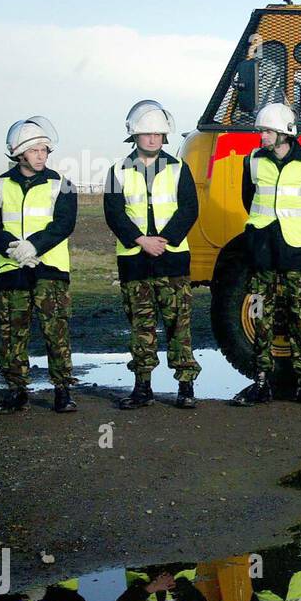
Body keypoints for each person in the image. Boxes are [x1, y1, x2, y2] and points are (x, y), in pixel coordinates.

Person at [231, 103, 301, 408]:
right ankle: (261, 381)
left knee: (300, 316)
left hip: (296, 252)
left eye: (267, 131)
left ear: (285, 132)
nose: (261, 135)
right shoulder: (252, 161)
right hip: (262, 252)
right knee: (260, 314)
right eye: (261, 130)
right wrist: (262, 233)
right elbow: (249, 199)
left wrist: (298, 231)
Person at [103, 100, 201, 409]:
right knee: (140, 327)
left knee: (178, 325)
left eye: (158, 133)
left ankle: (185, 387)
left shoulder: (179, 168)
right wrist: (141, 241)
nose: (153, 139)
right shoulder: (117, 171)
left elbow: (189, 209)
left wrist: (165, 240)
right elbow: (113, 213)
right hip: (135, 261)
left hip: (172, 260)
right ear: (134, 135)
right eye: (147, 134)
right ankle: (142, 388)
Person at [0, 116, 78, 414]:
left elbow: (64, 223)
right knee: (13, 334)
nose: (41, 156)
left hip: (50, 271)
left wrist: (34, 246)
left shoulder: (64, 185)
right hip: (13, 272)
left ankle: (62, 391)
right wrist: (12, 248)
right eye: (35, 150)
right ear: (19, 153)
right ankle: (16, 391)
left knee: (56, 331)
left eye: (44, 150)